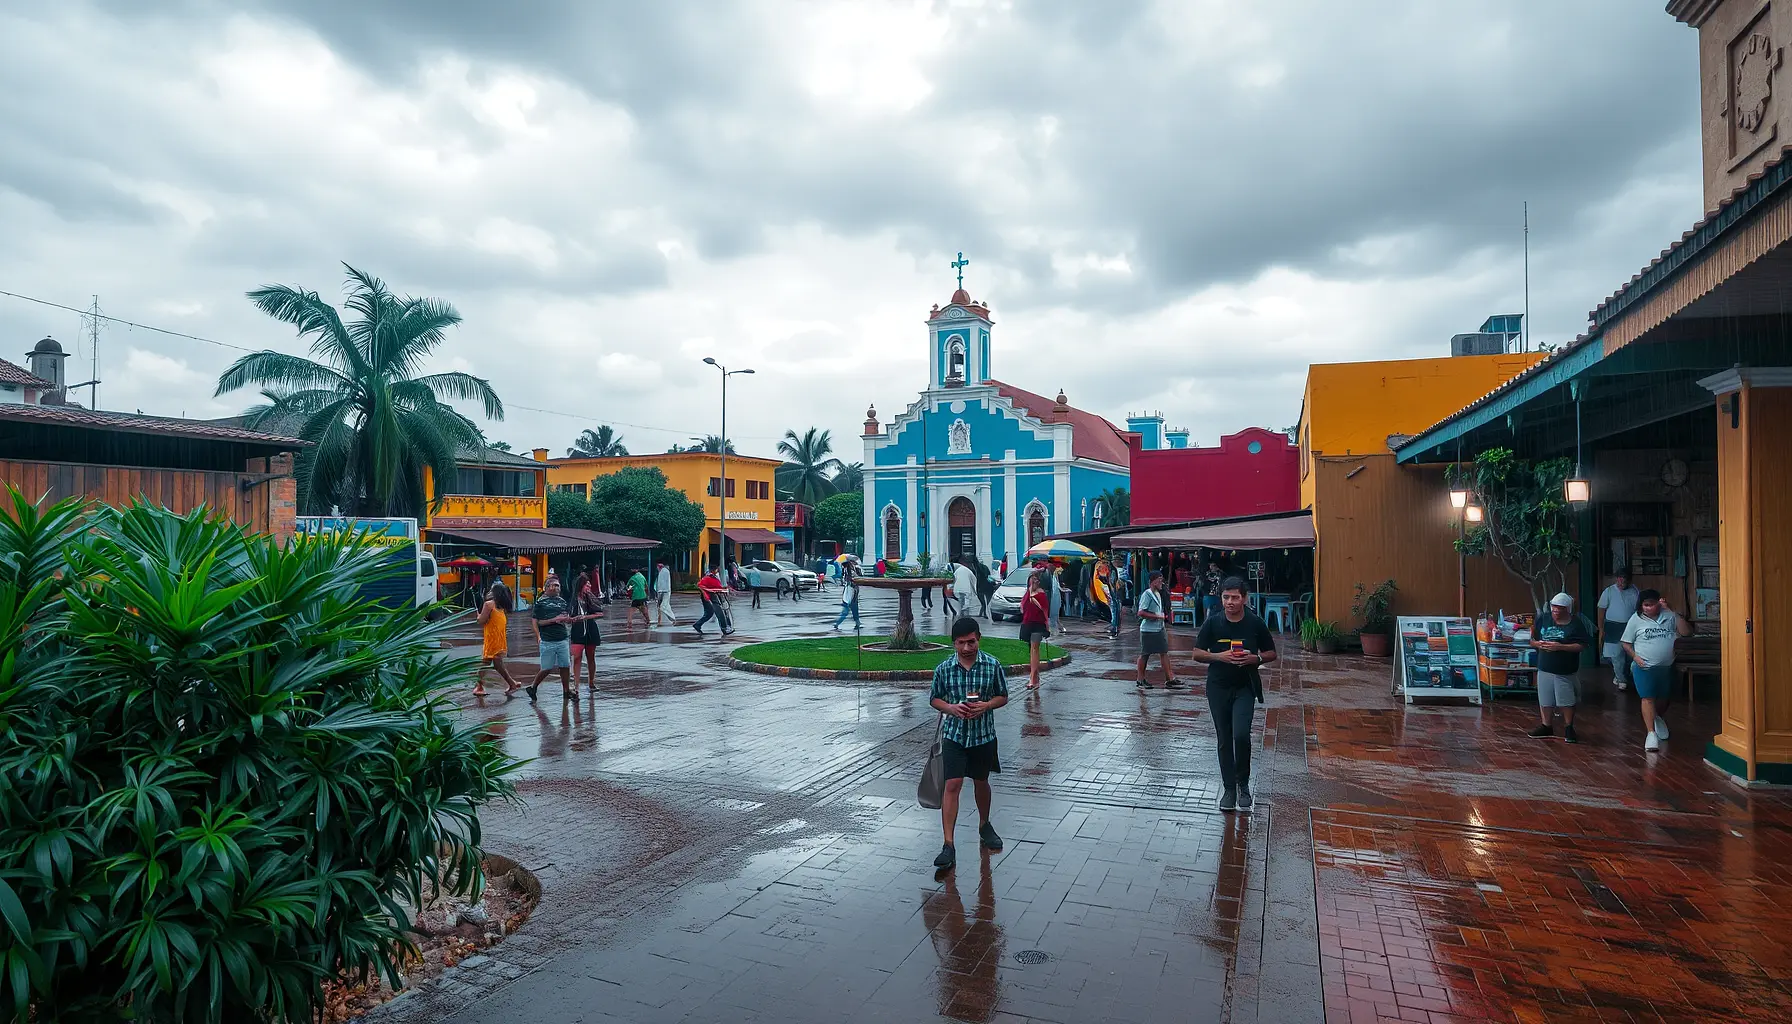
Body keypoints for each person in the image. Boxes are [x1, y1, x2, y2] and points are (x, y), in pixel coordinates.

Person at [928, 616, 1010, 870]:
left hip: (983, 736)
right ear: (953, 643)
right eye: (961, 643)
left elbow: (1003, 696)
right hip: (954, 736)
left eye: (971, 642)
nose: (966, 648)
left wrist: (986, 705)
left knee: (981, 782)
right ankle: (948, 844)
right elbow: (934, 699)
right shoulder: (944, 668)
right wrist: (951, 708)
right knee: (952, 785)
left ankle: (985, 824)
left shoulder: (991, 665)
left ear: (979, 639)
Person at [1190, 577, 1278, 812]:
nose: (1230, 602)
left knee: (1241, 735)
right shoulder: (1213, 622)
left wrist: (1256, 658)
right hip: (1218, 687)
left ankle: (1243, 784)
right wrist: (1220, 656)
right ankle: (1229, 789)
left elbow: (1271, 653)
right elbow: (1197, 653)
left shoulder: (1255, 623)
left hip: (1245, 687)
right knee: (1224, 739)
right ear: (1221, 598)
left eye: (1235, 597)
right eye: (1226, 597)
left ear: (1244, 598)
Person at [1622, 589, 1693, 752]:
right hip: (1644, 667)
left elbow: (1686, 632)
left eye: (1652, 604)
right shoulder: (1635, 620)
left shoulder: (1669, 616)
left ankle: (1658, 717)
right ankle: (1651, 733)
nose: (1648, 608)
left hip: (1666, 666)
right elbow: (1626, 643)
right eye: (1645, 605)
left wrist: (1673, 612)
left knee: (1664, 698)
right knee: (1647, 697)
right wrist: (1635, 657)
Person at [1527, 593, 1590, 743]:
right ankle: (1546, 724)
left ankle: (1569, 726)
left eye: (1560, 610)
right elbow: (1532, 639)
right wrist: (1538, 644)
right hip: (1545, 665)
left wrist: (1561, 647)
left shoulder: (1575, 623)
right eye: (1554, 609)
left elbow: (1581, 645)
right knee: (1545, 698)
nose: (1556, 613)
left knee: (1566, 699)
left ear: (1567, 610)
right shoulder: (1544, 618)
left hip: (1564, 668)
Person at [526, 576, 575, 702]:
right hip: (547, 639)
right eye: (553, 585)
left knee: (565, 665)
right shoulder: (540, 603)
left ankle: (566, 690)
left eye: (558, 585)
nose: (556, 587)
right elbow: (538, 622)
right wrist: (552, 621)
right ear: (547, 587)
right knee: (546, 668)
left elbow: (565, 617)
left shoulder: (563, 602)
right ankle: (533, 687)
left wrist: (568, 620)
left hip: (562, 638)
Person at [1596, 569, 1640, 691]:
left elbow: (1639, 609)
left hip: (1630, 626)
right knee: (1614, 655)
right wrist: (1601, 628)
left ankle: (1623, 676)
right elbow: (1601, 610)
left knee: (1631, 655)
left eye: (1624, 578)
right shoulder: (1609, 591)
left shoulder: (1635, 591)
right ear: (1616, 579)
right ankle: (1621, 678)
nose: (1621, 581)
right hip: (1612, 626)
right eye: (1619, 578)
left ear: (1629, 580)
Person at [474, 580, 519, 697]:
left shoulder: (489, 605)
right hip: (499, 639)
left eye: (491, 591)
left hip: (492, 639)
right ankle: (510, 683)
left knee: (489, 663)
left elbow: (481, 621)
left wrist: (478, 616)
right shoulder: (501, 607)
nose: (489, 592)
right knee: (492, 663)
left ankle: (480, 686)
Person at [1136, 570, 1178, 689]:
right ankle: (1140, 679)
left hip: (1159, 628)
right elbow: (1141, 612)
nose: (1161, 582)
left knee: (1164, 652)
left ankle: (1170, 679)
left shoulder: (1158, 593)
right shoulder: (1147, 594)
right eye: (1159, 579)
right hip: (1148, 630)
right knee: (1145, 654)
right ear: (1153, 581)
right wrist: (1157, 616)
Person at [570, 568, 604, 690]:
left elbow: (600, 613)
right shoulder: (574, 599)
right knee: (577, 657)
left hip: (590, 629)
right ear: (581, 585)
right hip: (577, 630)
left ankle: (591, 681)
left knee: (591, 656)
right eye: (587, 584)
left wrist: (585, 617)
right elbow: (569, 615)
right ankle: (576, 685)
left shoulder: (590, 598)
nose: (589, 586)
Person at [1019, 570, 1051, 690]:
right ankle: (1035, 677)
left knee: (1034, 649)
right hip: (1028, 624)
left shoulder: (1041, 594)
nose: (1033, 582)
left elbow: (1044, 611)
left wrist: (1047, 626)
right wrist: (1029, 592)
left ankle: (1032, 678)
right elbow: (1022, 608)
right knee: (1031, 650)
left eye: (1035, 580)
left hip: (1038, 625)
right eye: (1031, 580)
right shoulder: (1027, 593)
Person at [692, 567, 733, 635]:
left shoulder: (714, 577)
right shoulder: (707, 578)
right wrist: (705, 595)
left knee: (709, 613)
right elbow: (700, 585)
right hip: (709, 597)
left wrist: (724, 589)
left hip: (713, 596)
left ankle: (698, 625)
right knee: (719, 612)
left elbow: (717, 587)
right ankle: (724, 629)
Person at [833, 556, 863, 629]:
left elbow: (856, 577)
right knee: (852, 608)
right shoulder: (848, 569)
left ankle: (839, 623)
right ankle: (856, 622)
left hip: (851, 590)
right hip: (851, 590)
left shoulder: (851, 569)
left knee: (850, 608)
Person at [625, 566, 651, 631]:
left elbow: (628, 588)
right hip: (643, 596)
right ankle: (648, 621)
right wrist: (648, 596)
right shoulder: (643, 577)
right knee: (644, 609)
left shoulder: (632, 578)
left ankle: (629, 622)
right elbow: (646, 587)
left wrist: (631, 588)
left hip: (636, 596)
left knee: (631, 611)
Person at [654, 560, 677, 627]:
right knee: (662, 606)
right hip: (663, 591)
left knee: (663, 606)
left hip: (664, 592)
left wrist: (660, 593)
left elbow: (663, 584)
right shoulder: (663, 571)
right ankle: (660, 620)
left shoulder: (664, 571)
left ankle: (672, 619)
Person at [1201, 560, 1224, 624]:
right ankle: (1205, 623)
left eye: (1213, 565)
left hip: (1217, 595)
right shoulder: (1207, 574)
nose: (1211, 567)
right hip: (1208, 594)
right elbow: (1205, 582)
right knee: (1207, 611)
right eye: (1210, 565)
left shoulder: (1220, 574)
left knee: (1218, 611)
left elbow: (1221, 583)